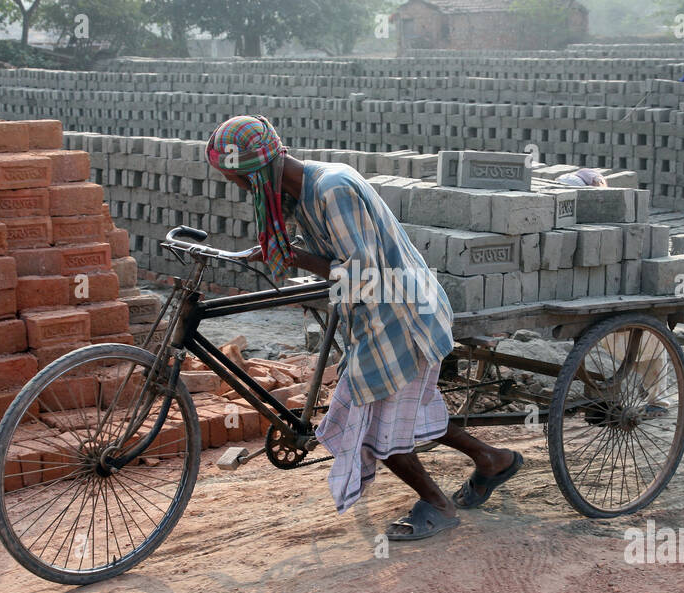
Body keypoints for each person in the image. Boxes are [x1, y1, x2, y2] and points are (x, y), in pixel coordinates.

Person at [205, 115, 522, 539]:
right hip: (377, 316)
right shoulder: (300, 191)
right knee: (400, 412)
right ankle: (492, 459)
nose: (241, 189)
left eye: (239, 180)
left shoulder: (331, 189)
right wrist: (283, 254)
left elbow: (362, 273)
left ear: (257, 171)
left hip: (404, 315)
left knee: (369, 421)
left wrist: (290, 257)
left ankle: (438, 505)